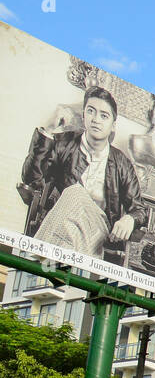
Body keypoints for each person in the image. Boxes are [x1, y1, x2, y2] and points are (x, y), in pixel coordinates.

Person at [20, 86, 146, 257]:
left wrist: (130, 219)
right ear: (84, 115)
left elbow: (139, 209)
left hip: (97, 232)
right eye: (91, 111)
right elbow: (31, 179)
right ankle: (65, 276)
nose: (96, 119)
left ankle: (33, 263)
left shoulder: (122, 163)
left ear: (113, 125)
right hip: (62, 223)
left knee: (75, 193)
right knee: (73, 198)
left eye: (104, 115)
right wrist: (48, 131)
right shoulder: (64, 143)